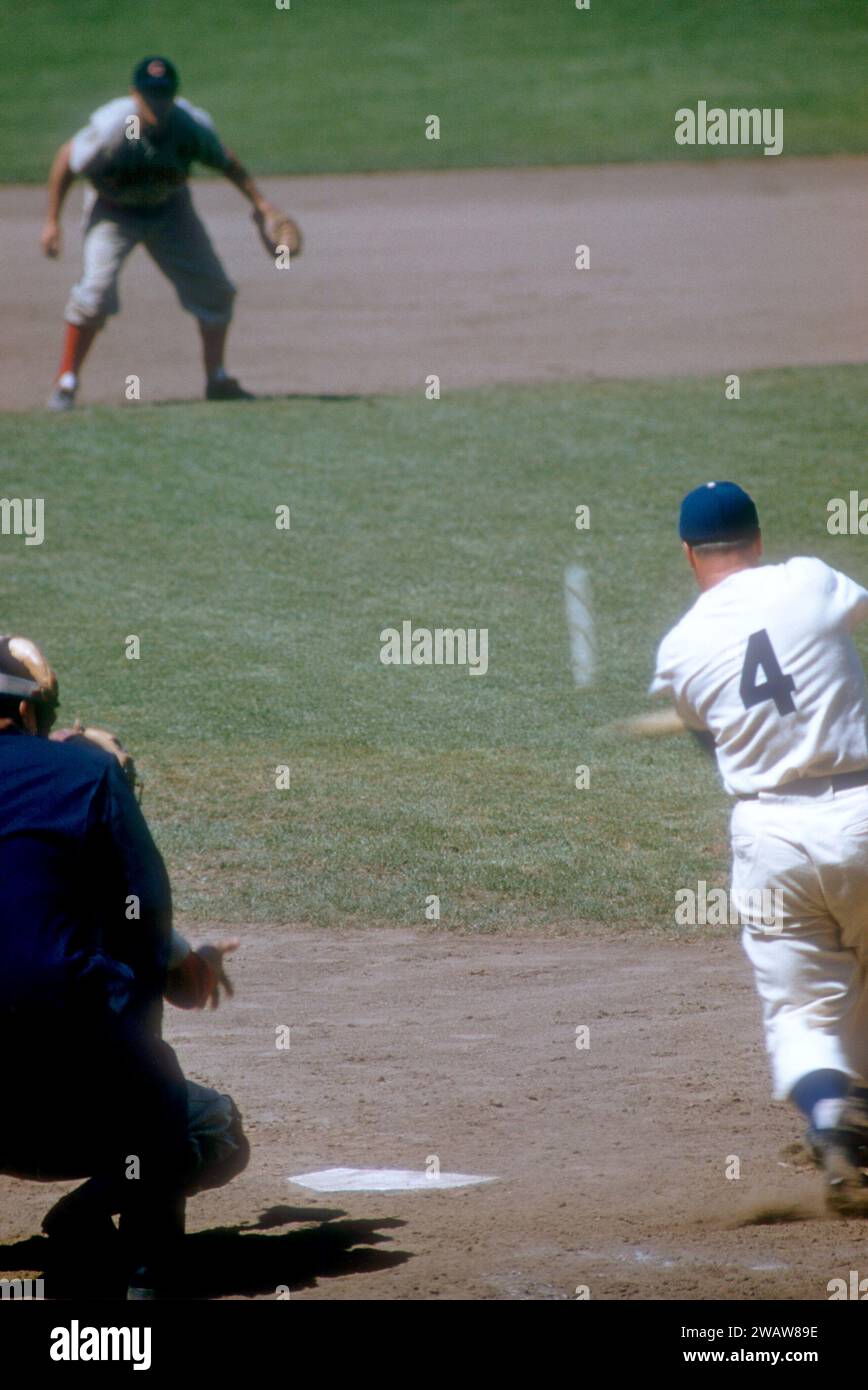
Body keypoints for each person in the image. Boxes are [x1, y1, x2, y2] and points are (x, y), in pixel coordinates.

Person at [0, 635, 249, 1297]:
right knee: (203, 1118)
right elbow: (147, 936)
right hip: (81, 1111)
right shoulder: (85, 779)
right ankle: (144, 1286)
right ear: (29, 714)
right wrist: (183, 965)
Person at [650, 481, 868, 1215]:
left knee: (802, 1011)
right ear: (758, 537)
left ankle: (833, 1124)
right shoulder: (810, 580)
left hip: (771, 834)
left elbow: (704, 732)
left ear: (689, 554)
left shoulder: (679, 648)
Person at [41, 55, 284, 408]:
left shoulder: (190, 124)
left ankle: (217, 379)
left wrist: (261, 205)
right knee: (94, 293)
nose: (158, 102)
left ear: (174, 94)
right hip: (113, 213)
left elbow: (225, 160)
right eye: (150, 94)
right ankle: (66, 381)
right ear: (134, 94)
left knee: (215, 291)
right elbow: (68, 159)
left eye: (164, 94)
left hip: (171, 211)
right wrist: (52, 221)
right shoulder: (112, 126)